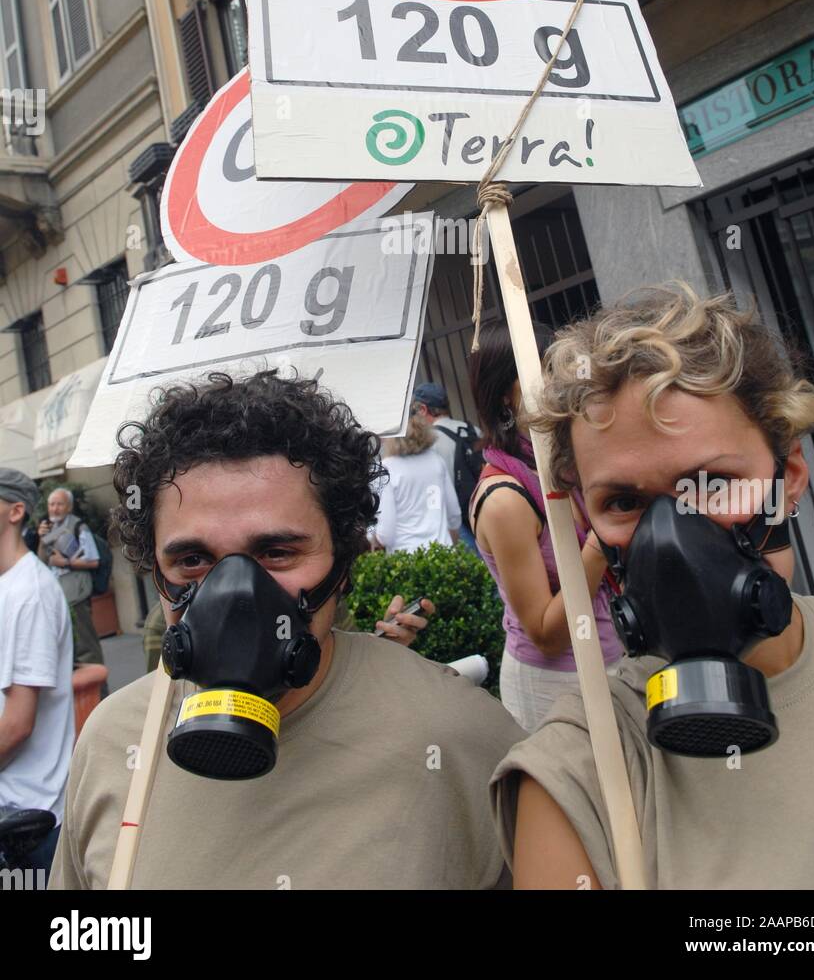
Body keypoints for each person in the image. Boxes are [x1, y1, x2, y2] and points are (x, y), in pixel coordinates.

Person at [49, 370, 523, 890]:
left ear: (342, 560)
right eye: (191, 559)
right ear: (155, 569)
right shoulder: (112, 742)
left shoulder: (464, 739)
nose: (235, 594)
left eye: (276, 553)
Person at [491, 282, 814, 890]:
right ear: (586, 520)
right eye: (624, 501)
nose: (672, 539)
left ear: (789, 475)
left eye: (713, 485)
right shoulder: (576, 778)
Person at [468, 322, 622, 733]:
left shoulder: (564, 463)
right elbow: (546, 634)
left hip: (618, 661)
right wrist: (600, 539)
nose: (559, 383)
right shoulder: (504, 500)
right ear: (505, 392)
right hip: (555, 685)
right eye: (542, 371)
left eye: (560, 368)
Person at [0, 468, 74, 882]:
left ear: (15, 511)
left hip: (32, 824)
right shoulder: (8, 587)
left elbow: (16, 726)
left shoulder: (29, 592)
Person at [140, 581, 433, 672]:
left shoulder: (317, 600)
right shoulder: (165, 621)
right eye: (195, 558)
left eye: (277, 552)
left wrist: (382, 649)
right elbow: (167, 692)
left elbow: (343, 663)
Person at [37, 488, 105, 679]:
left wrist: (66, 562)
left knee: (87, 648)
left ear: (69, 507)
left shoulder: (78, 527)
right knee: (70, 651)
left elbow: (94, 561)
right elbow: (42, 563)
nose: (55, 508)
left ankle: (100, 694)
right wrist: (42, 541)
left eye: (59, 504)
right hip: (58, 597)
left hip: (77, 595)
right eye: (51, 504)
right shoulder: (48, 528)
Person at [375, 410, 462, 553]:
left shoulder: (386, 468)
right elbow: (454, 515)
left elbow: (386, 535)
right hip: (443, 553)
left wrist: (372, 535)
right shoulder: (436, 461)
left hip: (406, 559)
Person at [413, 382, 482, 550]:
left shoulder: (428, 443)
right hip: (485, 511)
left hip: (458, 522)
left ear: (423, 409)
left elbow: (432, 492)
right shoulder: (473, 430)